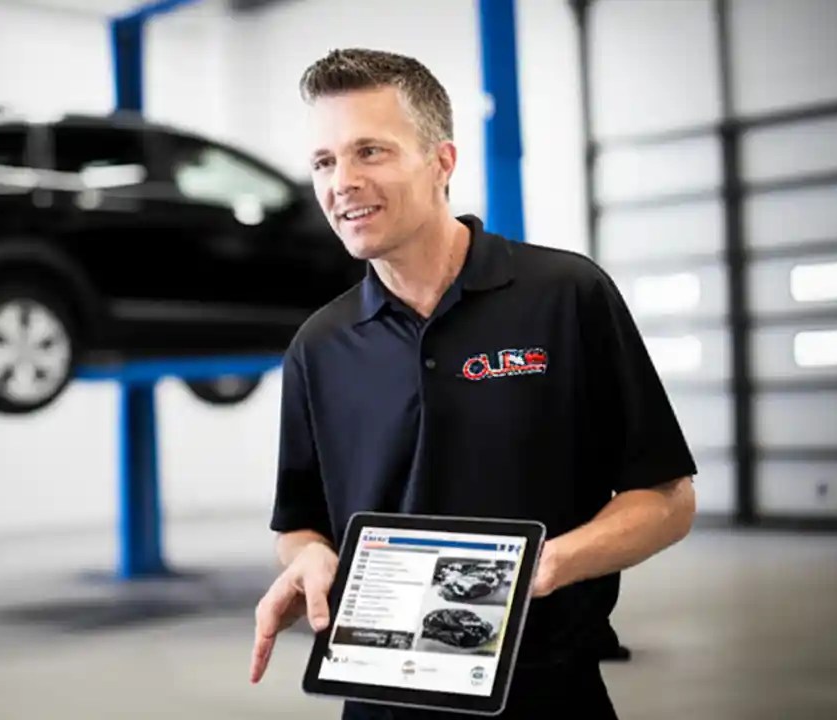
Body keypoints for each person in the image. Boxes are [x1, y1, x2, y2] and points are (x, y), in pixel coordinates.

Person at [248, 48, 697, 719]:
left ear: (442, 162)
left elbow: (666, 497)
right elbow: (301, 521)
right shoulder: (320, 345)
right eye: (324, 161)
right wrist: (310, 558)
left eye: (370, 152)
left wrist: (548, 563)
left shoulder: (566, 296)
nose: (342, 181)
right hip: (379, 694)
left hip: (546, 694)